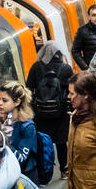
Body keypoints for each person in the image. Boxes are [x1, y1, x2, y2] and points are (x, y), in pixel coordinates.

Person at [26, 40, 74, 178]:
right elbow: (71, 90)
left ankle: (44, 172)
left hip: (40, 112)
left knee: (43, 142)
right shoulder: (66, 68)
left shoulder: (36, 67)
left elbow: (28, 87)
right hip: (61, 112)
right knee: (61, 142)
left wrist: (33, 106)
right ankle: (64, 170)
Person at [0, 81, 42, 184]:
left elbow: (20, 159)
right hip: (6, 177)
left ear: (17, 102)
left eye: (4, 100)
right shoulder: (0, 121)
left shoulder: (28, 127)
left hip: (25, 178)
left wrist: (2, 139)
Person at [72, 4, 96, 71]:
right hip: (92, 70)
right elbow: (75, 51)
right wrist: (86, 68)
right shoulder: (82, 31)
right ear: (89, 17)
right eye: (93, 15)